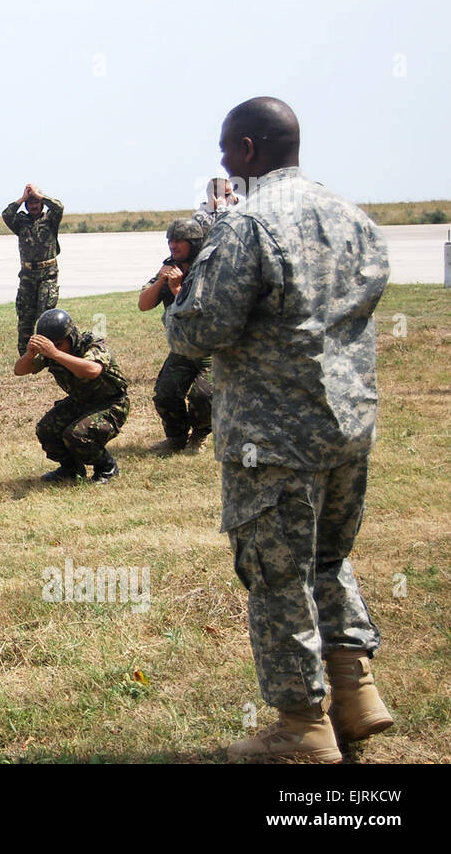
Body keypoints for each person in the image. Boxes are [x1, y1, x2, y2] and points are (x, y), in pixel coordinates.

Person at [166, 97, 393, 762]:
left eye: (224, 150)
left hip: (274, 435)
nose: (221, 164)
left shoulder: (247, 225)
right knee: (328, 557)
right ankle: (356, 694)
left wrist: (180, 300)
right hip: (348, 422)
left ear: (245, 150)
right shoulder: (353, 218)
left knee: (276, 573)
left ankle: (302, 725)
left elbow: (201, 329)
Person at [14, 308, 128, 484]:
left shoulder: (93, 345)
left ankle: (106, 467)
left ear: (71, 337)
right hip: (81, 401)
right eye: (50, 345)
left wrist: (55, 353)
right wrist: (30, 354)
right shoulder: (52, 353)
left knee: (76, 435)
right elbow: (19, 370)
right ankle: (70, 469)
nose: (54, 348)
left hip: (111, 404)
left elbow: (93, 370)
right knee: (46, 429)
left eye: (59, 344)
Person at [138, 218, 212, 454]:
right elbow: (143, 304)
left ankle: (200, 434)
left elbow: (202, 311)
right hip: (182, 348)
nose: (173, 245)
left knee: (203, 396)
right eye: (171, 240)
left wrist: (177, 290)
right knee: (165, 393)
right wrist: (161, 280)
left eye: (179, 241)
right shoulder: (169, 268)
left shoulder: (208, 269)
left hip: (211, 349)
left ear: (194, 243)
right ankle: (177, 437)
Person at [1, 184, 64, 355]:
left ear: (42, 204)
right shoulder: (21, 222)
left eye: (36, 203)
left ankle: (49, 354)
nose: (34, 206)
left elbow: (59, 206)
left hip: (47, 274)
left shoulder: (50, 219)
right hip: (28, 275)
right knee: (25, 317)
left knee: (46, 315)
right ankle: (25, 355)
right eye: (30, 203)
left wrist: (39, 195)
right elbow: (6, 214)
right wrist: (22, 198)